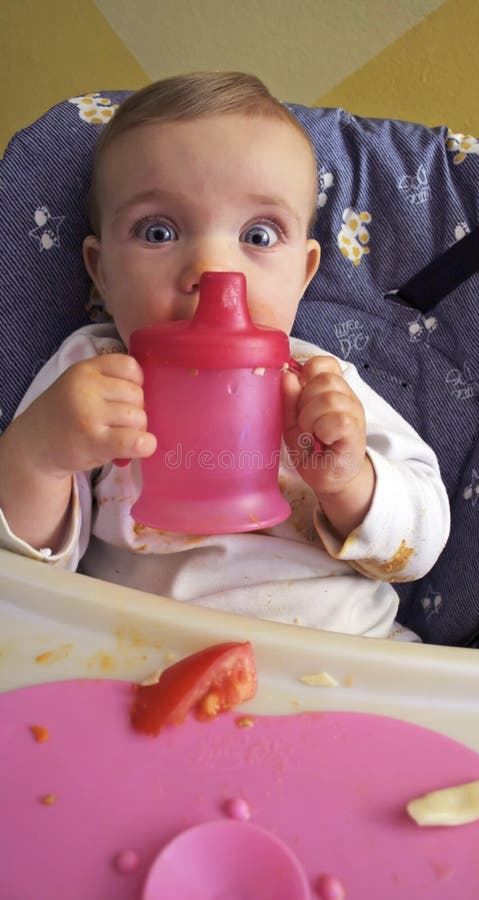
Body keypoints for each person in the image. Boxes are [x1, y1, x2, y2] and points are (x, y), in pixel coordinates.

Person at [0, 72, 450, 639]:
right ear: (101, 271)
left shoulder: (320, 384)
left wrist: (348, 481)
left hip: (345, 662)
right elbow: (24, 577)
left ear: (304, 273)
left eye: (259, 236)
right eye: (158, 232)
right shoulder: (89, 375)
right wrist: (40, 456)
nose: (214, 271)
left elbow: (418, 551)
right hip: (139, 665)